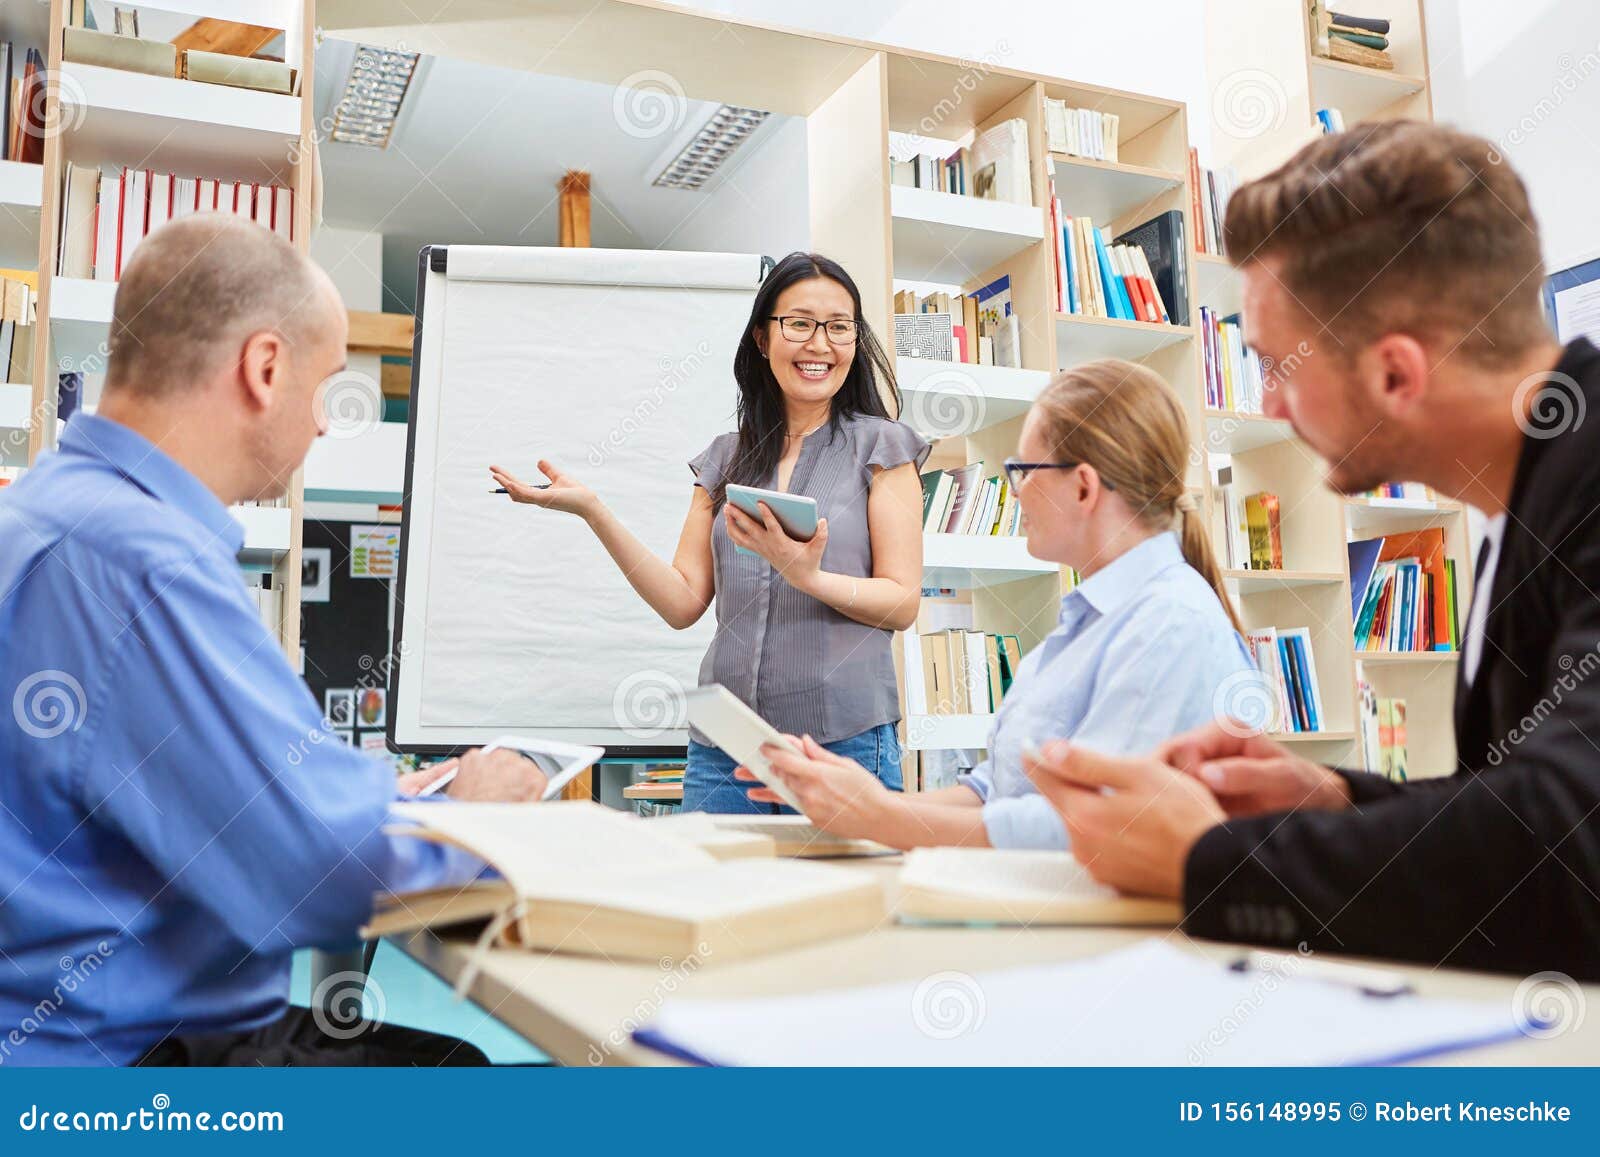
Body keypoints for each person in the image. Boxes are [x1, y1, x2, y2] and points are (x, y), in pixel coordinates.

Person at [1026, 121, 1600, 980]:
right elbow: (1517, 807)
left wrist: (1215, 864)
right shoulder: (1522, 499)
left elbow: (1570, 841)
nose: (1273, 405)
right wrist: (1333, 799)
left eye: (1277, 366)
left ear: (1396, 375)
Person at [0, 214, 549, 1067]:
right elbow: (313, 874)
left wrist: (369, 794)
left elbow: (161, 794)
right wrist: (473, 816)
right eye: (326, 385)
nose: (325, 424)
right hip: (126, 1061)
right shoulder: (143, 561)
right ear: (263, 369)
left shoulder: (41, 515)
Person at [739, 359, 1256, 849]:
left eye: (1025, 471)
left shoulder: (1172, 627)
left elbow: (1098, 825)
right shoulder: (1089, 621)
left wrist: (884, 817)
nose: (1017, 494)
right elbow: (995, 790)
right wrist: (865, 804)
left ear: (1082, 488)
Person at [490, 252, 927, 812]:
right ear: (763, 339)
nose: (820, 344)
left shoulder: (883, 449)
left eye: (839, 327)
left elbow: (902, 602)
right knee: (715, 896)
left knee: (841, 899)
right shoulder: (726, 460)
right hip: (726, 746)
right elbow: (682, 603)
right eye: (799, 323)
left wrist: (807, 577)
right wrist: (593, 511)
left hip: (843, 743)